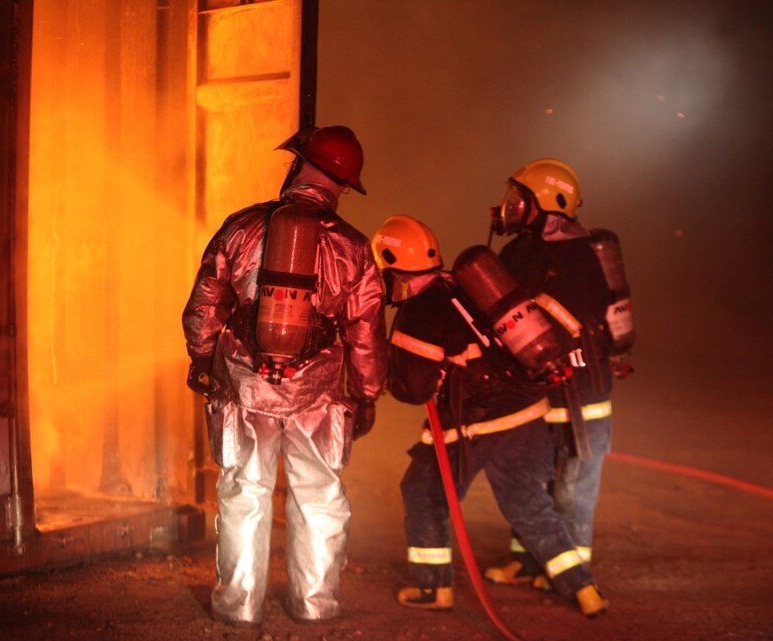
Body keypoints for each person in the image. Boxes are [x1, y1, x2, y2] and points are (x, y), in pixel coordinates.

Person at [181, 125, 388, 625]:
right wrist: (365, 394)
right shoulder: (355, 248)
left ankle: (239, 610)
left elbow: (206, 304)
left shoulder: (241, 226)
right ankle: (315, 605)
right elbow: (365, 333)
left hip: (245, 384)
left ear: (297, 165)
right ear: (342, 185)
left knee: (244, 493)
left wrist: (204, 358)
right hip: (317, 391)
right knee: (318, 494)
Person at [370, 214, 607, 617]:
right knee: (529, 502)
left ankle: (433, 588)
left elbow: (412, 390)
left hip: (476, 423)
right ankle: (583, 587)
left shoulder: (419, 312)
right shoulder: (465, 285)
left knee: (425, 491)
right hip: (527, 411)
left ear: (391, 265)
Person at [483, 158, 617, 596]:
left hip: (581, 394)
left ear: (547, 203)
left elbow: (557, 319)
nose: (509, 207)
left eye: (519, 199)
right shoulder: (520, 251)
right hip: (535, 390)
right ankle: (527, 562)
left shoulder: (579, 256)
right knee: (534, 478)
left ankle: (572, 574)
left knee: (573, 487)